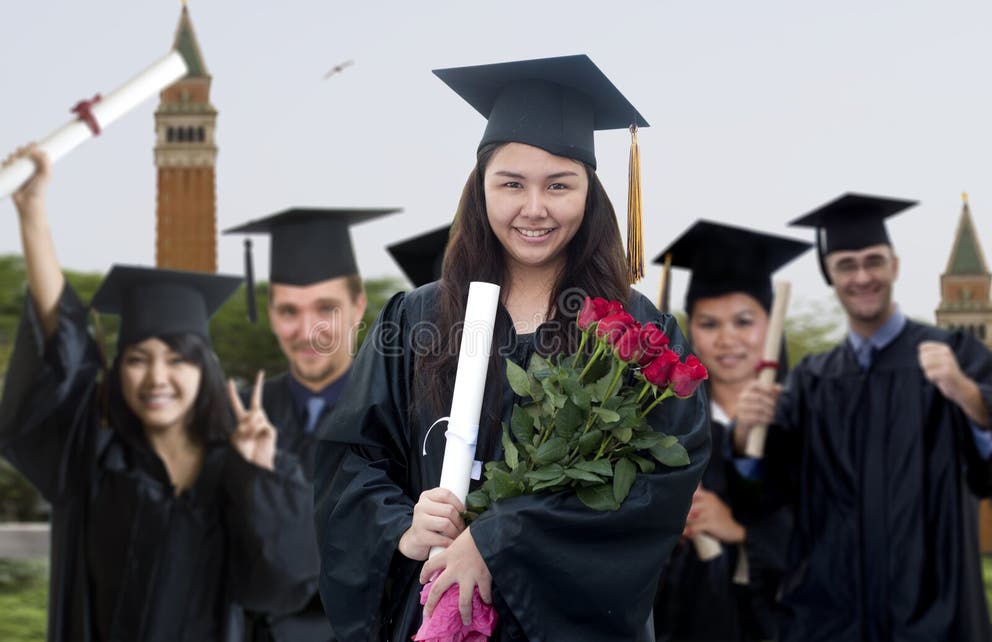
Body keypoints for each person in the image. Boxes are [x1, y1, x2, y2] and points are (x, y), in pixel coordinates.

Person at [314, 55, 710, 641]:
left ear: (590, 194)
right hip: (435, 614)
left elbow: (654, 489)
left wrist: (499, 543)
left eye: (559, 185)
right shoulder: (418, 317)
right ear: (480, 191)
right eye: (511, 184)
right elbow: (353, 459)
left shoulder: (634, 334)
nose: (534, 209)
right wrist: (402, 525)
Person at [0, 147, 319, 642]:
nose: (156, 377)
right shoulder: (95, 463)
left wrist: (259, 476)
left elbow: (280, 589)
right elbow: (61, 348)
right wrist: (33, 213)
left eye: (177, 359)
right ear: (118, 371)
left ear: (204, 370)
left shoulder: (242, 473)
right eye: (136, 358)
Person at [735, 193, 992, 641]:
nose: (862, 276)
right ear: (831, 276)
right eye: (846, 265)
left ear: (894, 265)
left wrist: (968, 394)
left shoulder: (957, 357)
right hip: (832, 619)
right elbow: (770, 496)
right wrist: (743, 437)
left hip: (934, 617)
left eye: (873, 261)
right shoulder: (812, 381)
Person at [224, 207, 398, 641]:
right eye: (288, 311)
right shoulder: (237, 418)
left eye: (325, 307)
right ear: (270, 314)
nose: (307, 330)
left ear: (358, 307)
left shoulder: (399, 413)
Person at [651, 220, 809, 641]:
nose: (727, 339)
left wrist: (742, 532)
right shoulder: (667, 422)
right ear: (691, 330)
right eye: (709, 323)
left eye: (743, 321)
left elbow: (841, 535)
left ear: (769, 323)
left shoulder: (807, 422)